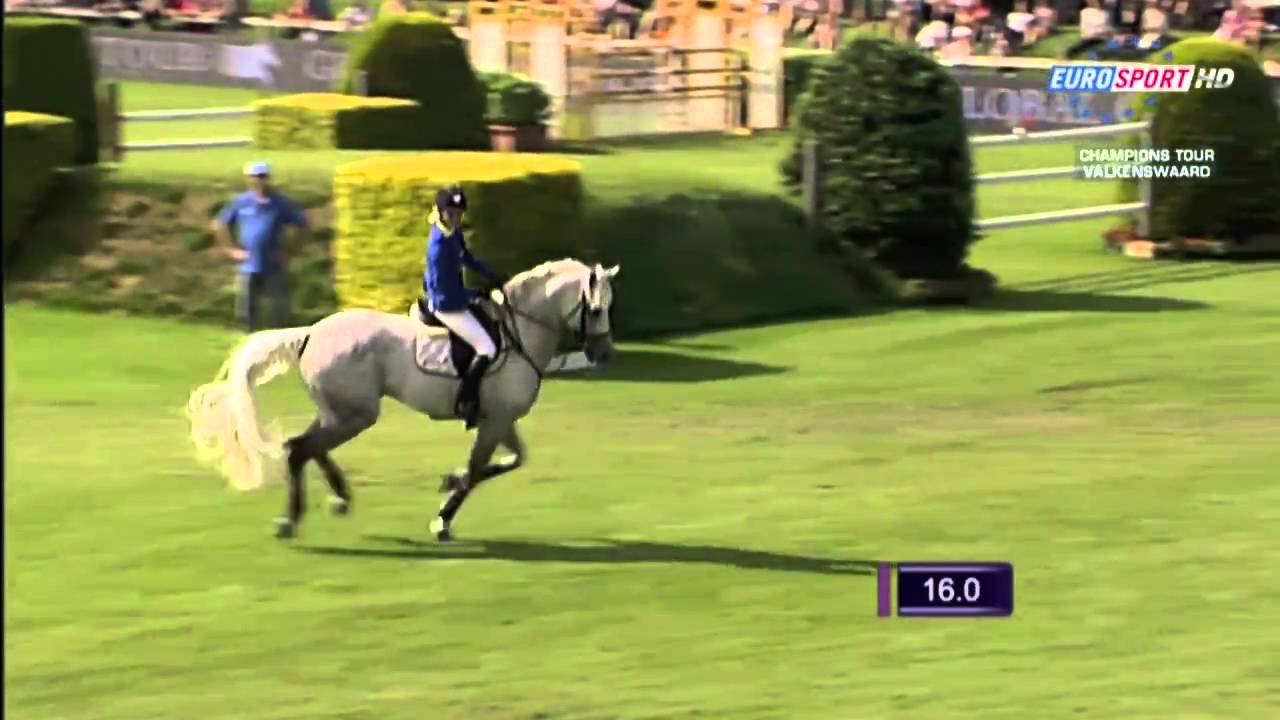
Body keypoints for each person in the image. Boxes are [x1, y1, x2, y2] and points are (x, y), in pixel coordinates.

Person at [421, 185, 508, 428]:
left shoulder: (452, 232)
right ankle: (465, 402)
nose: (457, 218)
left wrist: (492, 276)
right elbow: (446, 292)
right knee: (487, 348)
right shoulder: (438, 247)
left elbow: (467, 258)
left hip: (455, 297)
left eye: (459, 214)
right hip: (446, 306)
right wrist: (477, 295)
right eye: (451, 213)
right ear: (440, 212)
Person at [212, 161, 307, 332]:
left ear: (268, 178)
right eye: (255, 177)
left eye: (262, 176)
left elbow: (302, 225)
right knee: (246, 311)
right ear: (249, 180)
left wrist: (290, 252)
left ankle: (281, 342)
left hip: (274, 264)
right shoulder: (241, 202)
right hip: (249, 265)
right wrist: (230, 250)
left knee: (280, 310)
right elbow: (220, 224)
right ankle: (248, 341)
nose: (259, 180)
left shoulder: (280, 203)